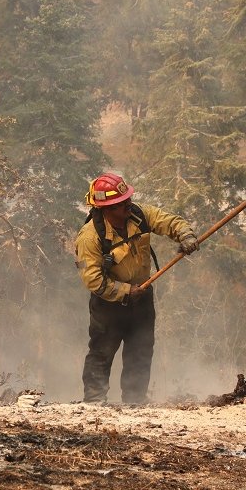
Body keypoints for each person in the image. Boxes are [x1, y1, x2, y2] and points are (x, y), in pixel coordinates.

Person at [75, 173, 199, 404]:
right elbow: (92, 280)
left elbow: (171, 221)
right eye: (121, 204)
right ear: (107, 209)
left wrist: (185, 234)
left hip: (142, 299)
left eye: (127, 200)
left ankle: (135, 401)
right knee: (102, 352)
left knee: (140, 352)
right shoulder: (89, 238)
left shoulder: (139, 215)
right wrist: (125, 291)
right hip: (108, 304)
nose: (128, 206)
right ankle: (94, 402)